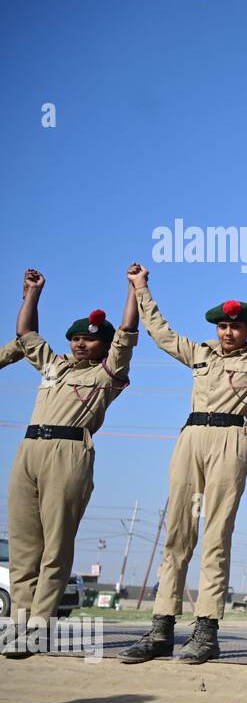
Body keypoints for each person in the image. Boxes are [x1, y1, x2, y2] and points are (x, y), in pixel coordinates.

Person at [120, 241, 247, 665]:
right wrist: (141, 288)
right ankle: (161, 627)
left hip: (229, 441)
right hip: (191, 437)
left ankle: (206, 631)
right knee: (177, 533)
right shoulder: (199, 354)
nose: (228, 332)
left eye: (235, 327)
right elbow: (160, 333)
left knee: (215, 536)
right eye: (223, 326)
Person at [2, 267, 138, 658]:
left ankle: (41, 625)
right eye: (75, 339)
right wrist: (32, 293)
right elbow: (27, 335)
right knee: (24, 546)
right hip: (29, 449)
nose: (79, 345)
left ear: (103, 346)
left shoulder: (107, 373)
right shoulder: (53, 366)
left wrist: (132, 289)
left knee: (54, 546)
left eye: (88, 340)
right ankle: (19, 625)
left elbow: (127, 332)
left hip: (69, 452)